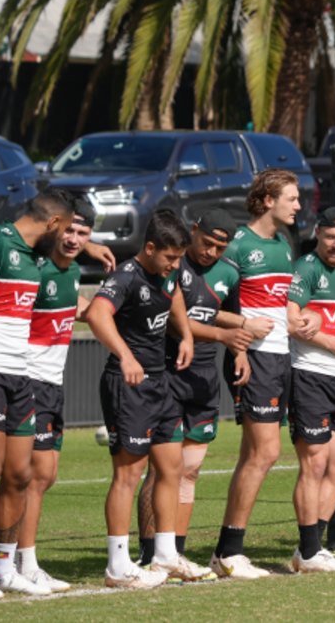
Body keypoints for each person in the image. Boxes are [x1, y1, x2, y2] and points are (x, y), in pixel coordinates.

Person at [88, 210, 214, 588]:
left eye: (179, 258)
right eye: (170, 258)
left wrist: (187, 335)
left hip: (161, 383)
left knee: (171, 469)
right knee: (128, 475)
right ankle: (117, 565)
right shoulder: (126, 275)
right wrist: (125, 355)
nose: (176, 266)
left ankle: (165, 554)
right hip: (130, 385)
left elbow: (174, 294)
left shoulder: (168, 272)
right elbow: (96, 314)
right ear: (149, 247)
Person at [212, 169, 317, 580]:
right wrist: (239, 331)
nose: (298, 205)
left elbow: (279, 305)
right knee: (265, 453)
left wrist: (301, 318)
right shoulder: (237, 243)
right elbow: (202, 300)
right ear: (267, 200)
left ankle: (226, 551)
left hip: (280, 356)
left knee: (255, 455)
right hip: (252, 356)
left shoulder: (283, 243)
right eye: (291, 198)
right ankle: (229, 552)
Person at [136, 210, 254, 568]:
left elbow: (229, 318)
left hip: (203, 379)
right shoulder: (171, 266)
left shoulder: (230, 274)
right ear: (194, 231)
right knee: (161, 470)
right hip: (167, 373)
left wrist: (241, 352)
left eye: (221, 247)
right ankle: (148, 554)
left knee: (189, 471)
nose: (212, 252)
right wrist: (223, 335)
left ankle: (177, 554)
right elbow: (174, 322)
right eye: (207, 243)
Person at [0, 191, 74, 599]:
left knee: (19, 474)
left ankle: (1, 569)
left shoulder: (33, 262)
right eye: (67, 228)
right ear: (54, 224)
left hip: (20, 377)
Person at [15, 197, 96, 593]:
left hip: (53, 384)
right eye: (69, 230)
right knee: (29, 475)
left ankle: (18, 558)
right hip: (25, 381)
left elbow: (76, 306)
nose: (74, 238)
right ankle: (20, 562)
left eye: (83, 233)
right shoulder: (36, 264)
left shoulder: (74, 270)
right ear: (55, 227)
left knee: (42, 476)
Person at [285, 207, 335, 572]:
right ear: (318, 234)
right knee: (314, 464)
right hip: (308, 376)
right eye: (330, 237)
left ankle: (310, 549)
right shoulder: (305, 268)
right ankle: (311, 549)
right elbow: (290, 320)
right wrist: (332, 342)